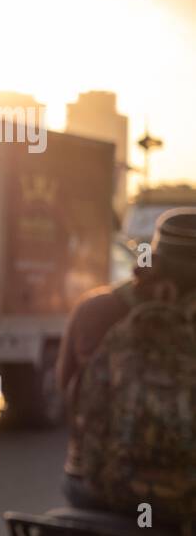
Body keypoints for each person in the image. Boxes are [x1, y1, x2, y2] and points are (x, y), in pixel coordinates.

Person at [57, 209, 196, 510]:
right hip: (182, 496)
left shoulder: (96, 308)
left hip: (91, 483)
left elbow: (66, 387)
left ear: (154, 259)